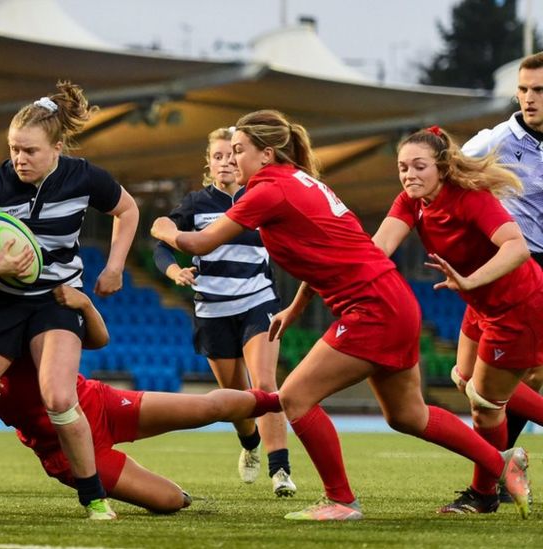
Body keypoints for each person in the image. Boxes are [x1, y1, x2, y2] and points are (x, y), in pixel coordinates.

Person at [151, 109, 530, 521]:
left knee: (294, 397)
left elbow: (201, 243)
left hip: (373, 308)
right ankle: (502, 462)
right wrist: (294, 308)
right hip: (392, 301)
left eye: (239, 150)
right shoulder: (301, 181)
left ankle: (341, 501)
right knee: (408, 416)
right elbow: (330, 254)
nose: (231, 159)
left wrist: (163, 229)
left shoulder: (267, 190)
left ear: (267, 154)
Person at [0, 285, 281, 514]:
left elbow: (99, 340)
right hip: (67, 453)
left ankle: (281, 400)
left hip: (101, 405)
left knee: (209, 407)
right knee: (171, 502)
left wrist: (84, 305)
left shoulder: (33, 330)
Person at [0, 81, 139, 520]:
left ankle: (93, 497)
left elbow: (127, 211)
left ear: (56, 147)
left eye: (30, 150)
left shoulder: (85, 175)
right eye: (14, 148)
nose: (19, 158)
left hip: (55, 299)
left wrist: (113, 267)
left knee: (58, 399)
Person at [373, 125, 543, 514]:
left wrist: (469, 280)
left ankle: (484, 494)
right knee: (465, 380)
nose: (409, 175)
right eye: (403, 168)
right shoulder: (411, 201)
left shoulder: (470, 198)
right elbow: (379, 249)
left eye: (419, 166)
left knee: (485, 404)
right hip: (482, 304)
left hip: (519, 304)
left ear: (442, 168)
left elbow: (517, 247)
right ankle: (497, 475)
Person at [154, 127, 294, 496]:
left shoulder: (263, 198)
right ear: (209, 165)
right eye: (218, 157)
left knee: (264, 385)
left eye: (232, 155)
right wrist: (174, 271)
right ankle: (249, 446)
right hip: (212, 311)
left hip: (258, 301)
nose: (226, 162)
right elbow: (161, 247)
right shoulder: (196, 204)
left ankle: (281, 471)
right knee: (235, 396)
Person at [461, 51, 543, 491]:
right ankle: (501, 468)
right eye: (524, 90)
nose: (529, 99)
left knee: (503, 382)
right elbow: (447, 179)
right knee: (478, 380)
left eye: (539, 91)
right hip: (516, 268)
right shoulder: (493, 142)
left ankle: (496, 475)